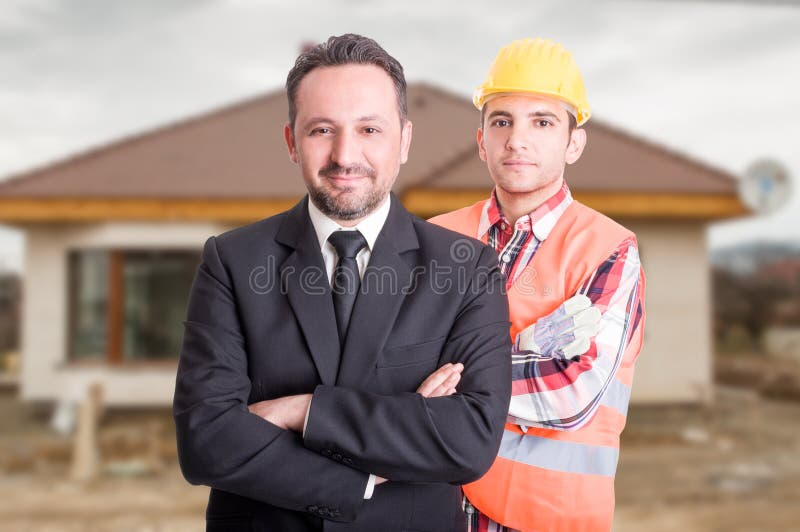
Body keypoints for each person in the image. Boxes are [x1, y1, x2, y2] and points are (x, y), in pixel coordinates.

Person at [173, 33, 512, 532]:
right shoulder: (231, 261)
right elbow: (205, 441)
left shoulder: (467, 269)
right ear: (292, 142)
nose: (344, 155)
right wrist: (378, 455)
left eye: (370, 129)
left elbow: (468, 440)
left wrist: (304, 411)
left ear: (405, 140)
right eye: (321, 130)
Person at [430, 37, 646, 532]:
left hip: (544, 519)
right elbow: (384, 366)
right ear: (481, 139)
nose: (516, 139)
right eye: (501, 120)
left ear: (574, 142)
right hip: (431, 509)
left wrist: (445, 380)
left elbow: (570, 391)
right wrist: (524, 351)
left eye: (542, 121)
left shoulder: (608, 249)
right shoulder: (433, 238)